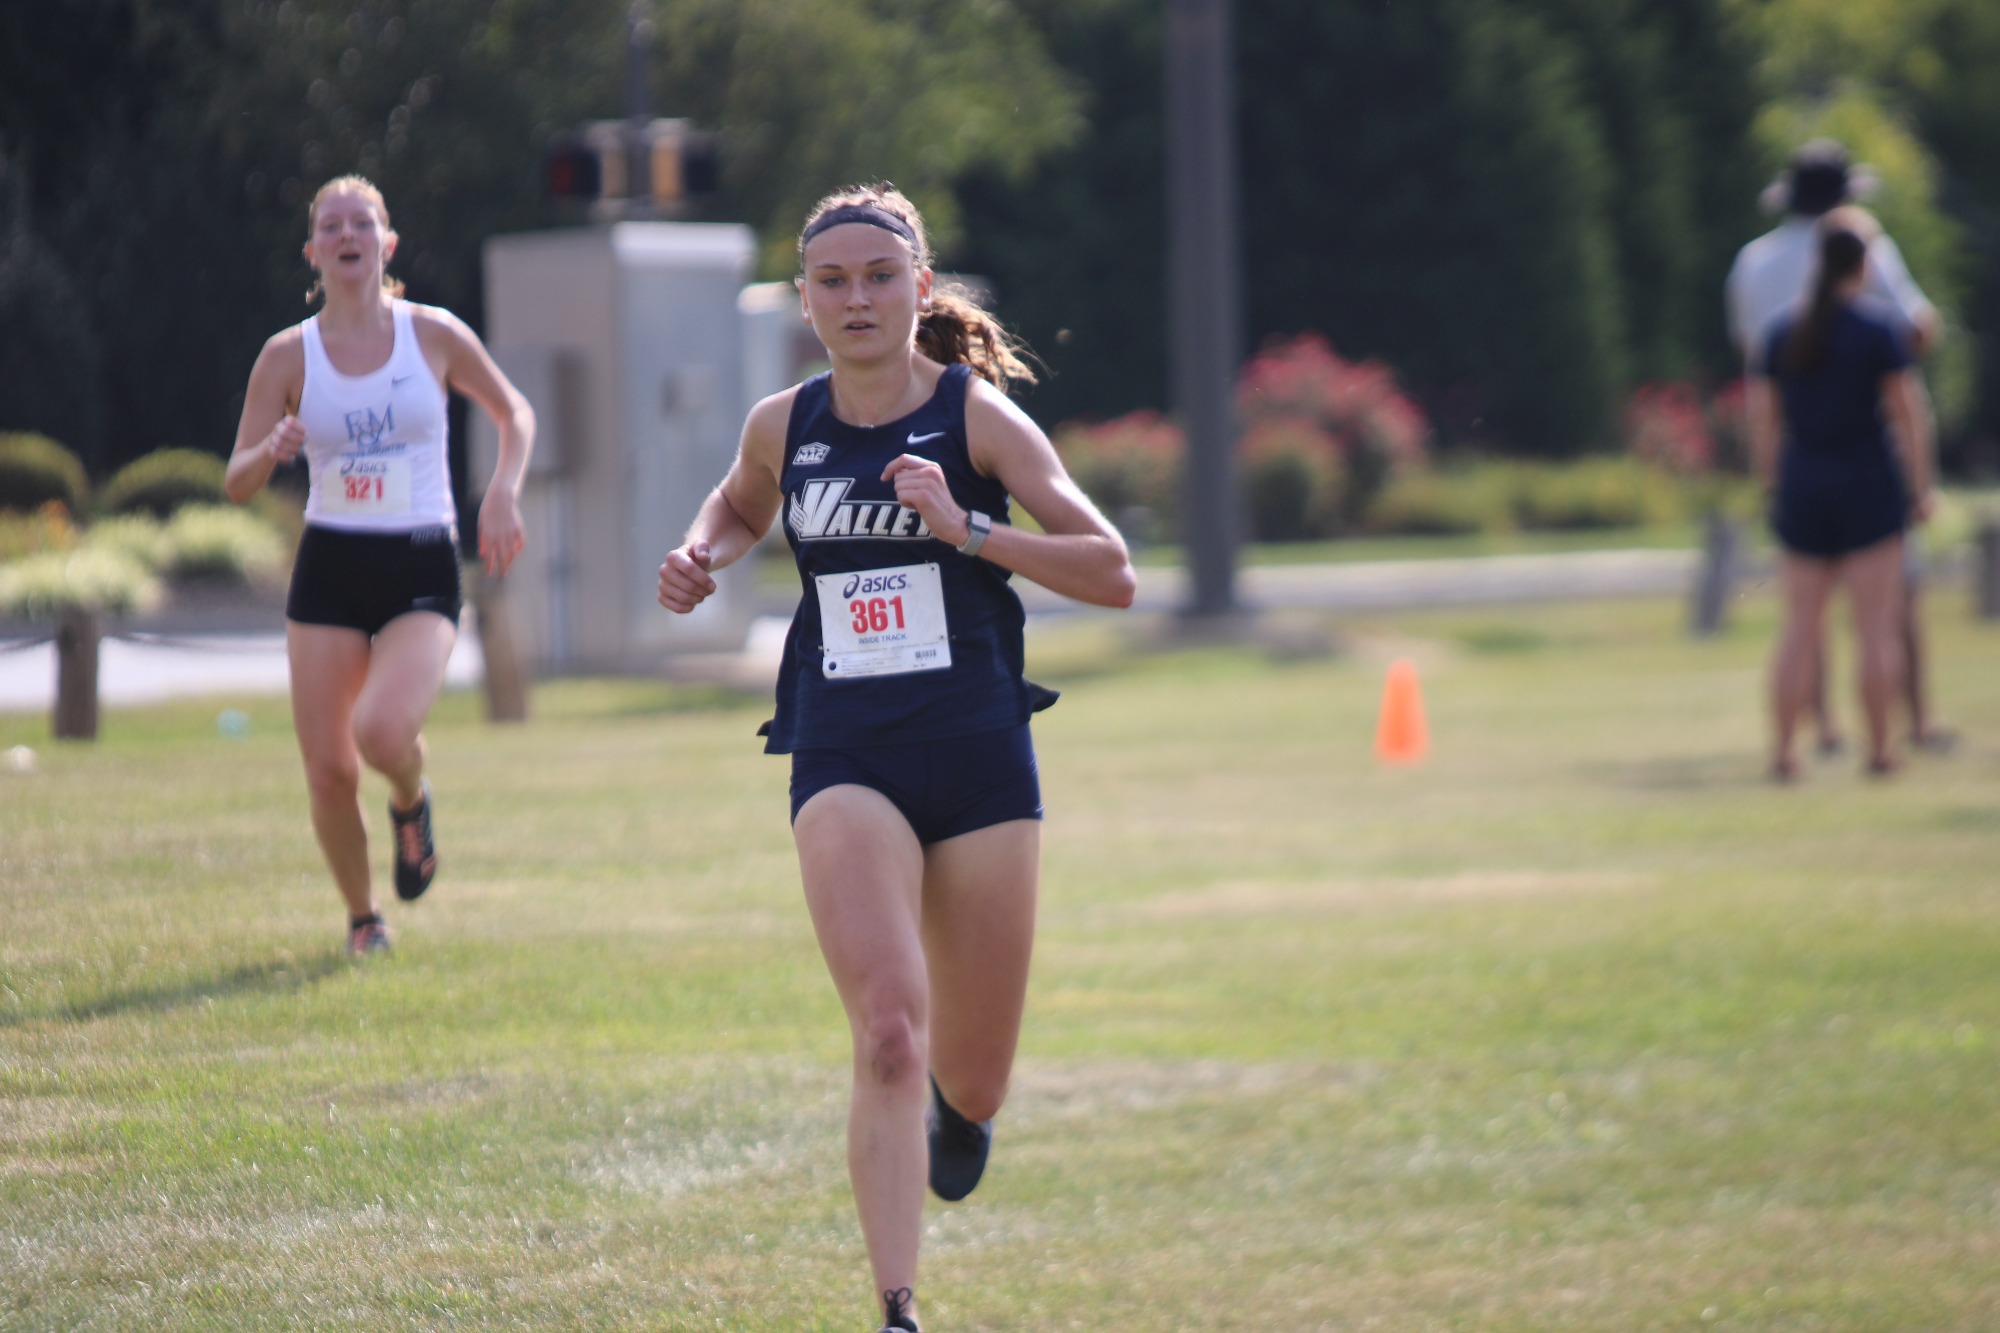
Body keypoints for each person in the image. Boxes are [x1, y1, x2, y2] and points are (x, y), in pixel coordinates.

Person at [656, 184, 1134, 1332]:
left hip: (977, 756)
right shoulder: (783, 423)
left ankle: (957, 1117)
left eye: (879, 276)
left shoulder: (976, 420)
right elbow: (736, 504)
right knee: (884, 1027)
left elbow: (1108, 567)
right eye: (832, 280)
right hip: (844, 747)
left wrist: (966, 528)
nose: (856, 297)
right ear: (805, 301)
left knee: (968, 1079)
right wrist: (699, 551)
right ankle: (896, 1308)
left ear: (920, 291)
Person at [224, 175, 533, 956]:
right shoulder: (286, 355)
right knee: (328, 768)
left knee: (382, 729)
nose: (347, 233)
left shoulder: (431, 334)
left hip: (419, 556)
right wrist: (271, 448)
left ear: (386, 244)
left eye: (362, 221)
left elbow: (513, 411)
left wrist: (502, 489)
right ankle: (365, 918)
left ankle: (409, 796)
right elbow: (237, 481)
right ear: (314, 250)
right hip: (330, 563)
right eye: (332, 225)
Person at [1726, 139, 1949, 756]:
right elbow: (1916, 343)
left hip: (1803, 468)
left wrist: (1769, 479)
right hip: (1866, 470)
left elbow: (1757, 387)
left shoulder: (1757, 270)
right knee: (1879, 621)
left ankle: (1799, 742)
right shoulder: (1872, 289)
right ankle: (1890, 742)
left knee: (1801, 626)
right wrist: (1921, 485)